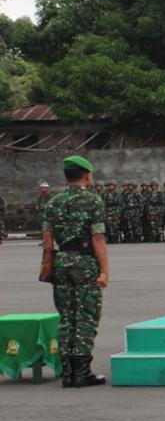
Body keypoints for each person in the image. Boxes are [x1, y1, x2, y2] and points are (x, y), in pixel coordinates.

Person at [38, 156, 109, 388]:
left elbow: (48, 244)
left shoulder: (52, 203)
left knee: (66, 318)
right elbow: (98, 238)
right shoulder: (93, 201)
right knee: (86, 317)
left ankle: (67, 371)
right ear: (86, 175)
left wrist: (49, 267)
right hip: (85, 263)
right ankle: (81, 372)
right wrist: (105, 271)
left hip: (62, 262)